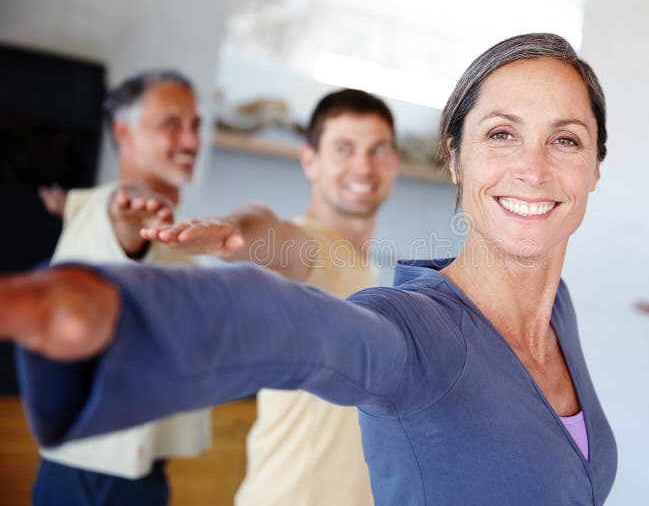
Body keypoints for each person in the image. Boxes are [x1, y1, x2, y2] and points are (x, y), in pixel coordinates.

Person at [1, 32, 617, 504]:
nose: (534, 168)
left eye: (566, 140)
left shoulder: (556, 309)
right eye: (503, 134)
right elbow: (299, 325)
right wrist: (116, 313)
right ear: (454, 159)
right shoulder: (415, 328)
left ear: (595, 167)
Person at [143, 88, 400, 506]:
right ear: (310, 161)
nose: (363, 166)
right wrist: (234, 227)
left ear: (395, 162)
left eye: (378, 150)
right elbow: (268, 230)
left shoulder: (369, 273)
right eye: (344, 148)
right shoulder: (311, 250)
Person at [31, 69, 210, 506]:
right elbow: (124, 235)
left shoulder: (92, 204)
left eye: (195, 125)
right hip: (96, 480)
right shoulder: (119, 209)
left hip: (129, 470)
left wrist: (65, 204)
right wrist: (129, 234)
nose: (190, 141)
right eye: (171, 124)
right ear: (122, 132)